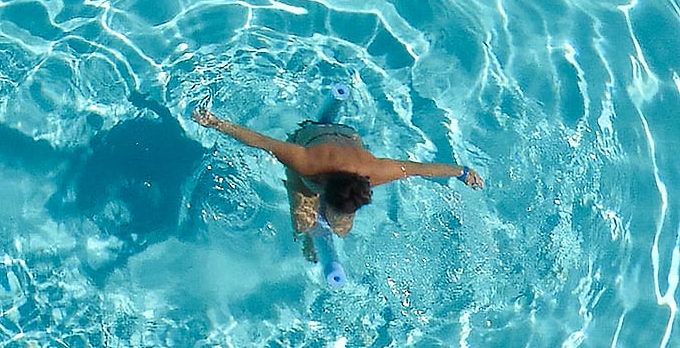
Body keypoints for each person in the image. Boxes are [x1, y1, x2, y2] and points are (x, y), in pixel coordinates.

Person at [191, 104, 483, 260]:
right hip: (311, 137)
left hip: (344, 135)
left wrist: (462, 172)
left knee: (341, 229)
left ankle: (322, 230)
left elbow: (421, 169)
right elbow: (260, 141)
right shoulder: (306, 164)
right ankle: (309, 239)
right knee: (302, 224)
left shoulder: (375, 172)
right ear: (324, 189)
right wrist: (215, 122)